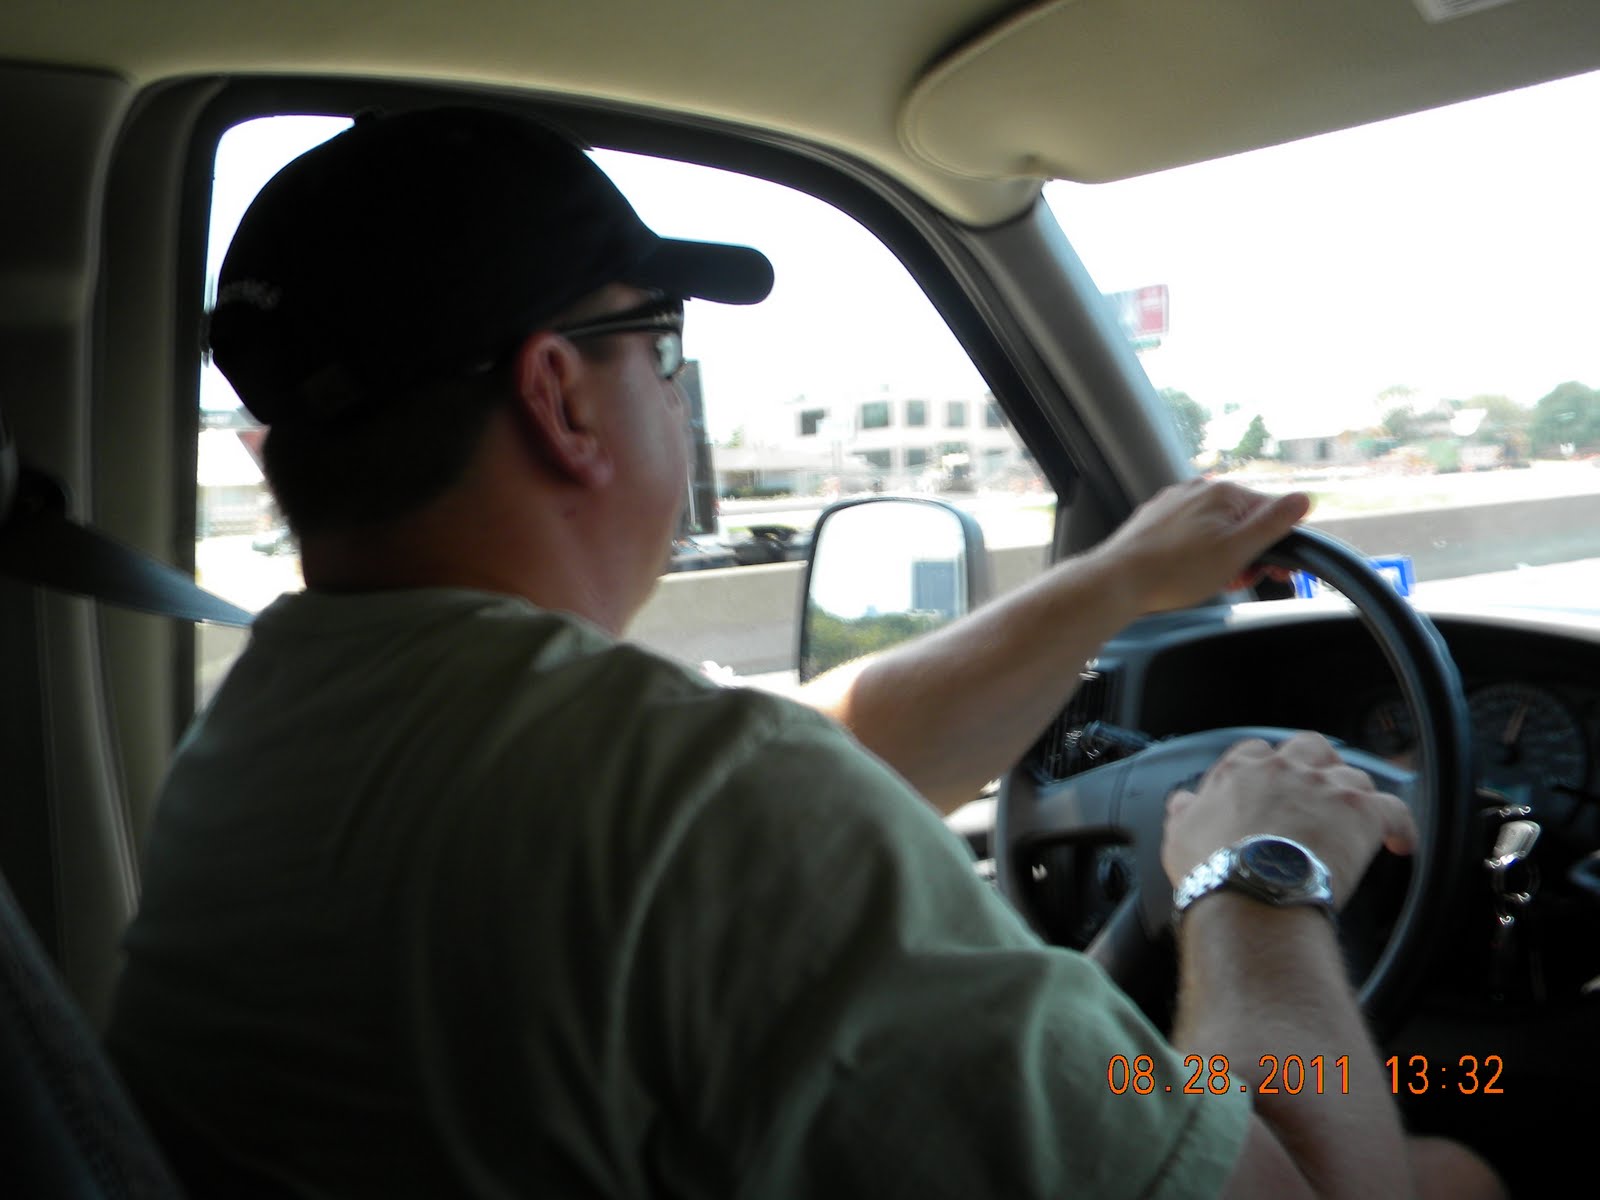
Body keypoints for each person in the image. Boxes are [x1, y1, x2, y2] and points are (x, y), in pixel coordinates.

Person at [105, 106, 1502, 1199]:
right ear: (560, 397)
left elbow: (811, 760)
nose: (673, 391)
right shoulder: (690, 810)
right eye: (660, 348)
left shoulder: (258, 743)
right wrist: (1254, 870)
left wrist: (1119, 581)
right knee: (1449, 1170)